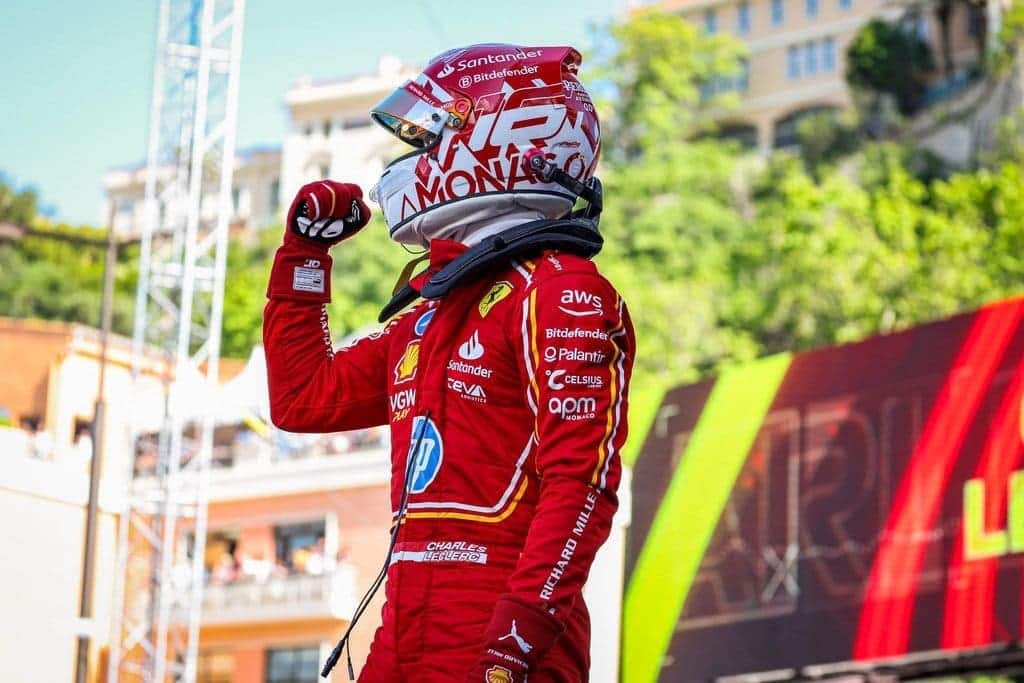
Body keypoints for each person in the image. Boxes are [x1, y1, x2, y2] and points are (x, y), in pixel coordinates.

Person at [264, 43, 634, 682]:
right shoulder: (427, 316)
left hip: (498, 637)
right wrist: (305, 256)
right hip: (401, 635)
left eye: (428, 138)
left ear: (504, 138)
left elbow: (582, 481)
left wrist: (518, 636)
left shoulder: (559, 292)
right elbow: (303, 400)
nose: (410, 160)